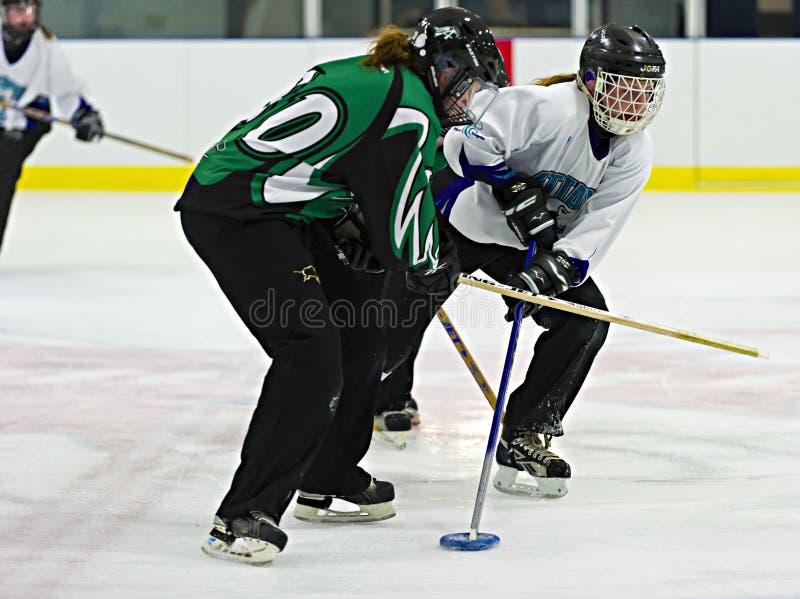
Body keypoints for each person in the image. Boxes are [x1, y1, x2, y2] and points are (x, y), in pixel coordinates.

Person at [175, 7, 505, 566]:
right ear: (437, 65)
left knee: (362, 330)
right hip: (239, 214)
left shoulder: (388, 80)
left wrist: (345, 218)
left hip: (285, 212)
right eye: (462, 79)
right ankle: (241, 516)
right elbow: (403, 223)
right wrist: (433, 266)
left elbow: (347, 173)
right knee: (310, 354)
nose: (465, 98)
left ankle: (327, 475)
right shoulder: (409, 106)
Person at [376, 23, 666, 497]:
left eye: (644, 92)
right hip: (460, 219)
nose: (634, 104)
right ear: (590, 80)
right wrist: (510, 186)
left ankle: (526, 430)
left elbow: (599, 224)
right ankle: (376, 393)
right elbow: (462, 143)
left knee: (585, 319)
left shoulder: (634, 151)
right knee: (398, 318)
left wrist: (557, 270)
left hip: (525, 243)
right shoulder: (545, 107)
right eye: (624, 88)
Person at [0, 0, 103, 253]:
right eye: (17, 10)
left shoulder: (46, 47)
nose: (24, 17)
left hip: (23, 130)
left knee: (3, 178)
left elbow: (67, 90)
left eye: (30, 10)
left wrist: (84, 115)